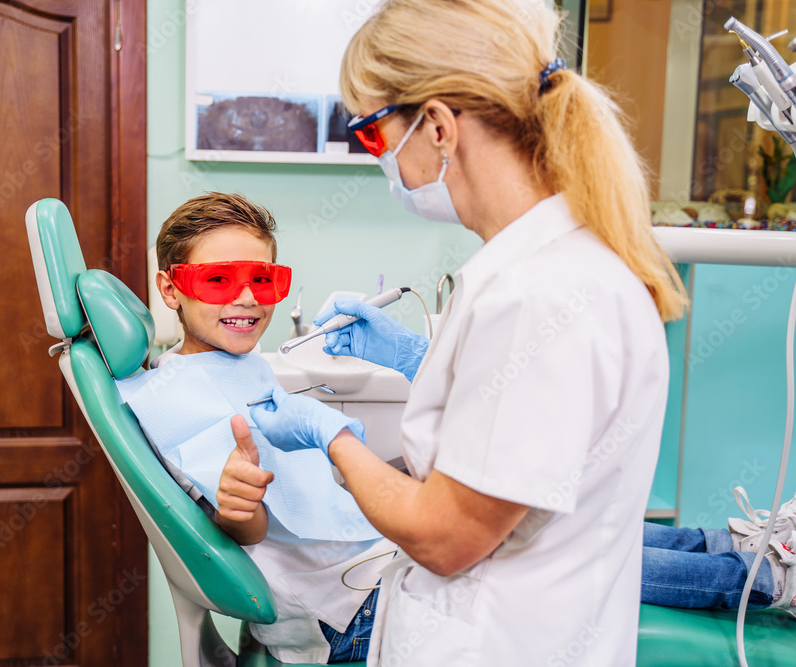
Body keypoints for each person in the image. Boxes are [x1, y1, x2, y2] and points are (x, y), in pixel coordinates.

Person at [243, 1, 794, 664]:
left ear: (439, 125)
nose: (379, 160)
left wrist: (329, 437)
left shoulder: (539, 293)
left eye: (372, 136)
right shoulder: (551, 269)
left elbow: (446, 535)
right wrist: (422, 359)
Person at [116, 192, 393, 664]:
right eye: (219, 279)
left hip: (369, 572)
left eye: (262, 279)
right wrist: (237, 505)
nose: (246, 297)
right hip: (346, 606)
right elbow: (247, 527)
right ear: (170, 290)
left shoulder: (240, 364)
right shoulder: (175, 397)